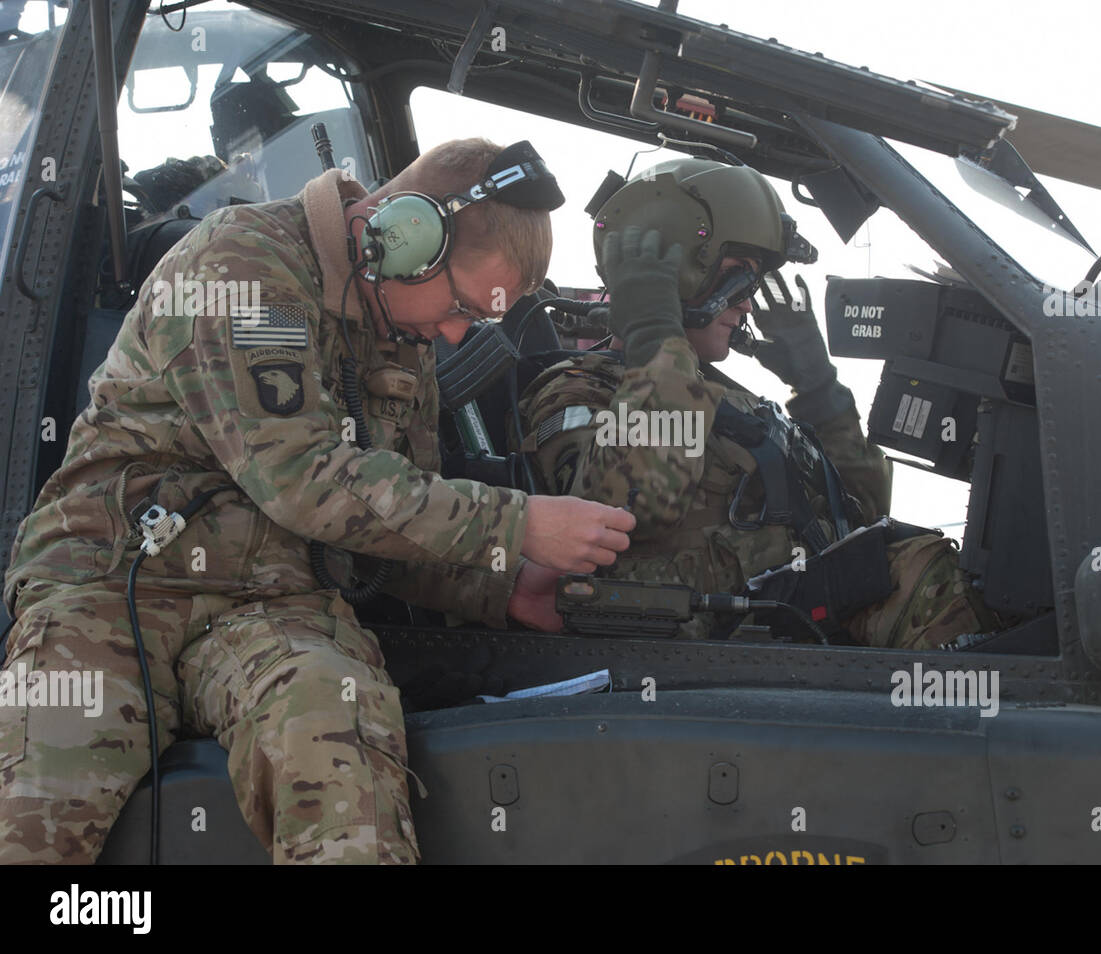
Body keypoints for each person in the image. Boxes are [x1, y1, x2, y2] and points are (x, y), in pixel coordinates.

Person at [0, 137, 635, 864]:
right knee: (39, 818)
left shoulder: (404, 334)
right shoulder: (244, 265)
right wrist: (517, 524)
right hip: (109, 584)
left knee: (338, 736)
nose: (457, 331)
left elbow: (387, 529)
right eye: (461, 303)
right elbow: (301, 474)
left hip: (272, 605)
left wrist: (503, 586)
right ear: (405, 234)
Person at [517, 157, 991, 645]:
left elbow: (866, 514)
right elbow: (628, 507)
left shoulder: (730, 402)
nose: (746, 302)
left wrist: (818, 387)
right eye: (737, 275)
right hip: (711, 666)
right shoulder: (577, 388)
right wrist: (656, 334)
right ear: (675, 271)